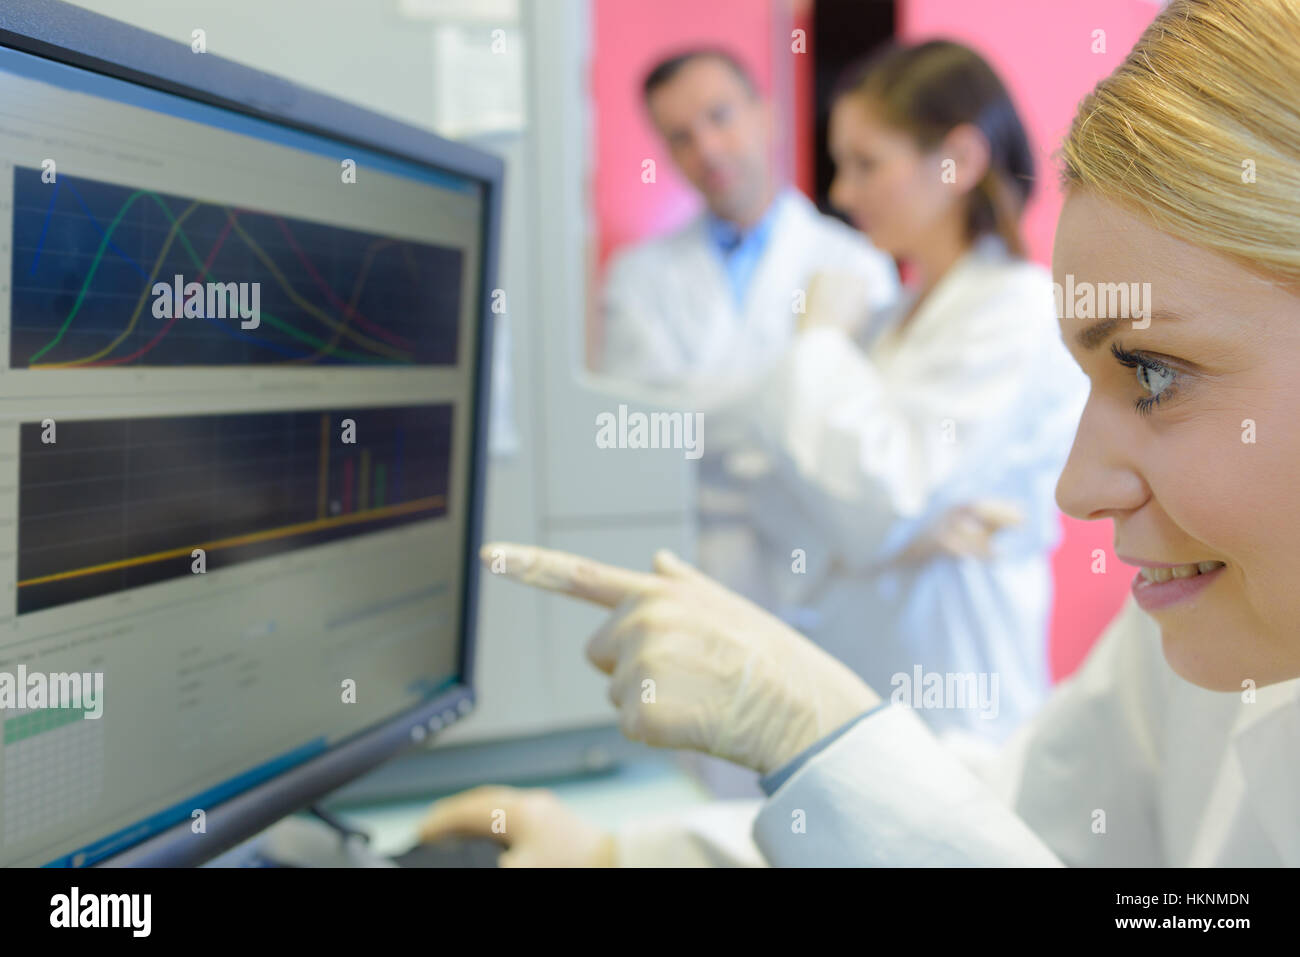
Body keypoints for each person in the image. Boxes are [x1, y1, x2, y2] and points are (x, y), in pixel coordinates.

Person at [422, 0, 1300, 866]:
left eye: (1152, 373)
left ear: (956, 159)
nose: (1074, 490)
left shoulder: (965, 308)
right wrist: (617, 850)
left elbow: (870, 492)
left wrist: (815, 380)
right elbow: (1003, 815)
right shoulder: (1199, 645)